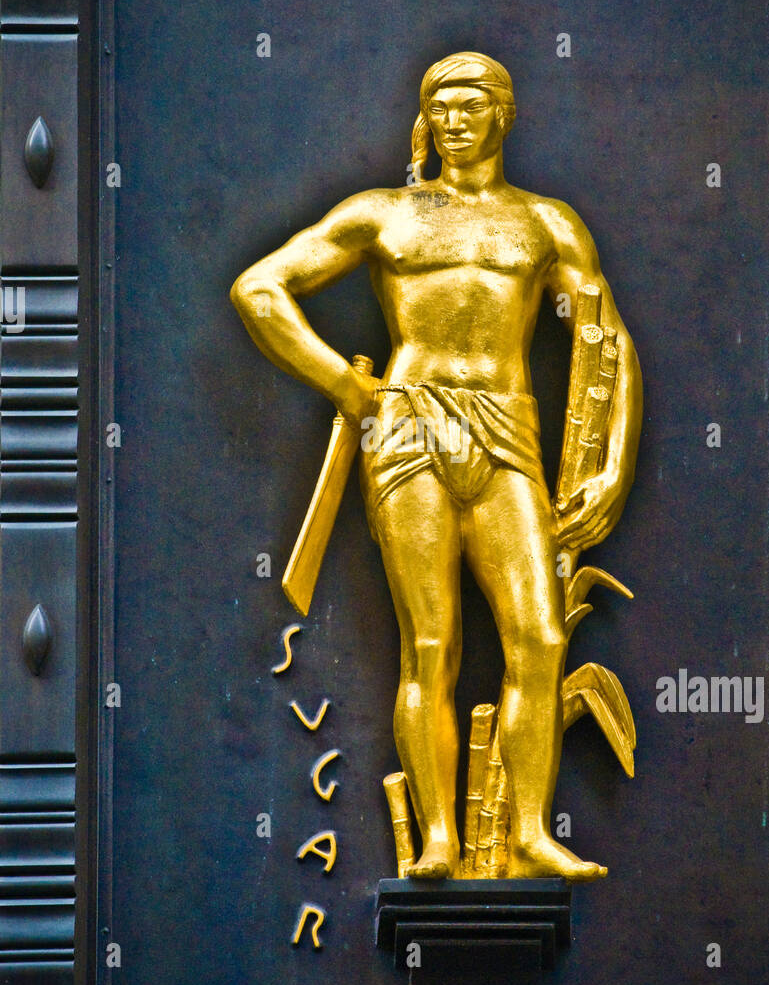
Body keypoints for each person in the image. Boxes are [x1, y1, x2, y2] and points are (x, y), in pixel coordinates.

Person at [231, 52, 642, 880]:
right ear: (426, 120)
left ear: (503, 116)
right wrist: (341, 381)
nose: (456, 120)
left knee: (537, 636)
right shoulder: (386, 216)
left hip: (507, 437)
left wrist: (613, 466)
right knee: (431, 642)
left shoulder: (546, 225)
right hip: (412, 431)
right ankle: (442, 838)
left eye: (472, 105)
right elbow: (260, 288)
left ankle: (527, 830)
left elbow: (607, 339)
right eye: (442, 107)